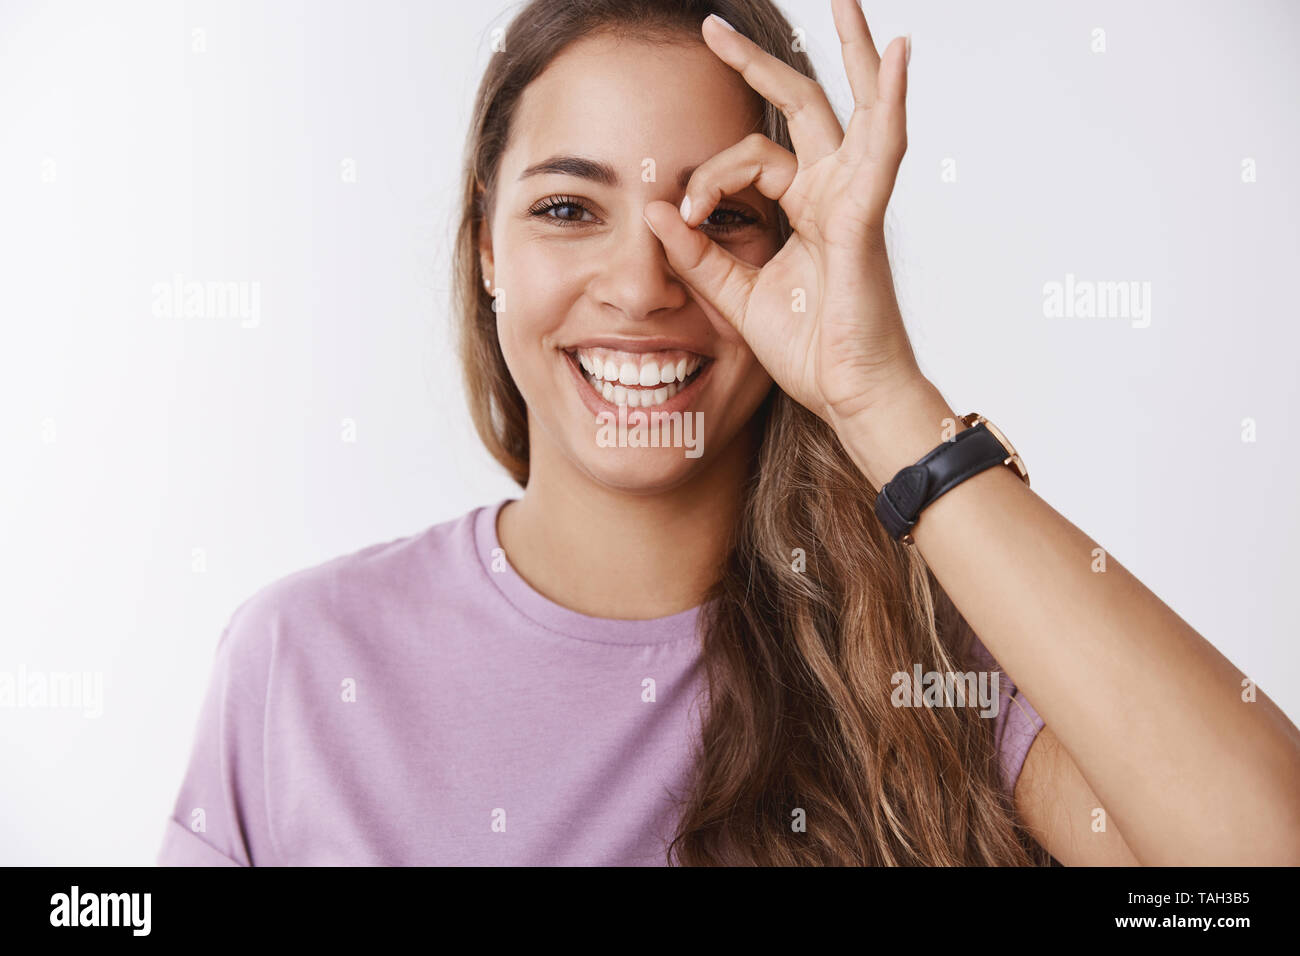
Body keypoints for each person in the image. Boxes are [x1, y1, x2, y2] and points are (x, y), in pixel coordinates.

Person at [156, 0, 1300, 866]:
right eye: (568, 208)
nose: (644, 282)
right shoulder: (298, 662)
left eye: (723, 217)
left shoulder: (932, 664)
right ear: (488, 246)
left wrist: (881, 395)